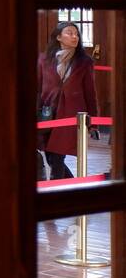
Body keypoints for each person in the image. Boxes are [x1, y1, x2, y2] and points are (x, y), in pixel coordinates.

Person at [38, 21, 98, 181]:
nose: (74, 37)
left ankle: (57, 198)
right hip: (47, 115)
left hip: (70, 116)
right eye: (69, 33)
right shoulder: (44, 59)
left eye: (76, 34)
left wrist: (93, 123)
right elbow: (37, 89)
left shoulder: (85, 62)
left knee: (57, 158)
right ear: (58, 37)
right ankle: (73, 189)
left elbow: (90, 93)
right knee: (51, 157)